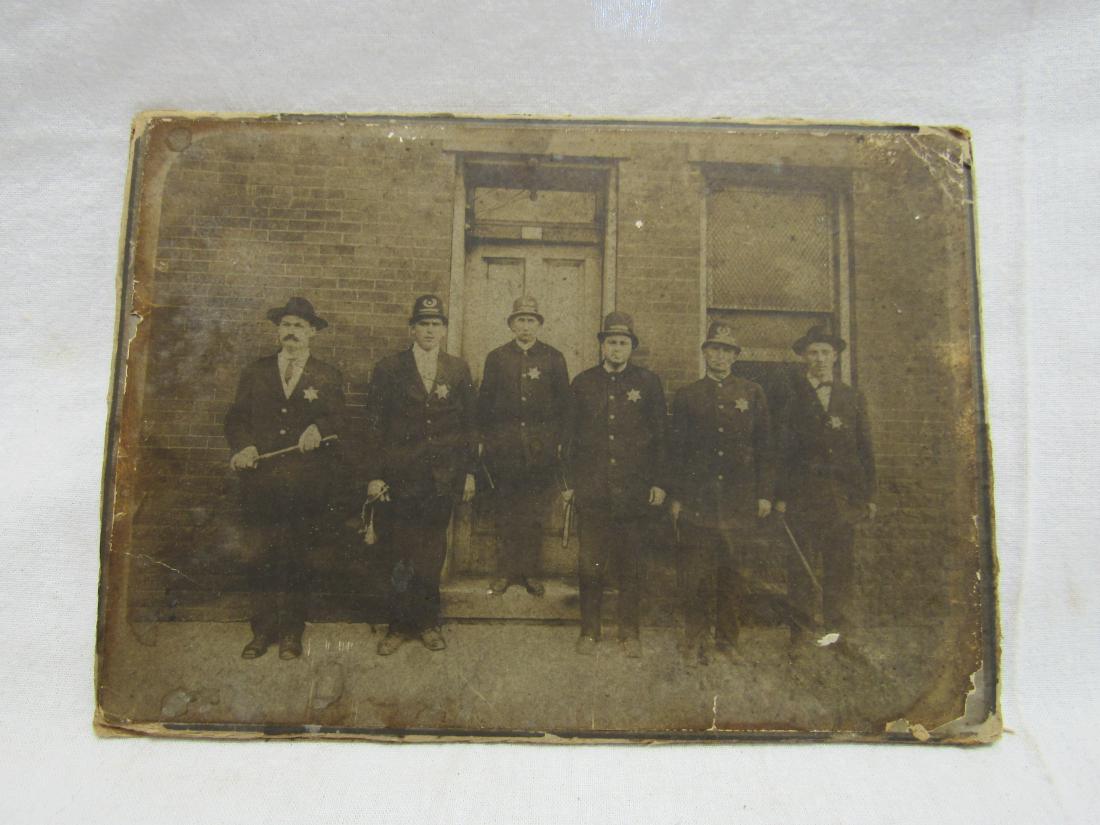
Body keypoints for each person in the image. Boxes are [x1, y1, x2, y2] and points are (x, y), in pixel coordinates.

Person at [224, 297, 345, 661]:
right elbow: (236, 419)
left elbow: (340, 419)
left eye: (299, 326)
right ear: (279, 331)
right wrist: (243, 447)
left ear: (312, 333)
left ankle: (292, 632)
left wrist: (318, 427)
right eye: (286, 325)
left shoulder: (328, 375)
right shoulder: (256, 372)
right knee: (260, 556)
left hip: (305, 486)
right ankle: (261, 632)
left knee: (297, 558)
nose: (291, 332)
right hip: (261, 482)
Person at [364, 294, 477, 655]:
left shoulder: (458, 370)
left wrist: (469, 472)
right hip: (400, 479)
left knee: (431, 553)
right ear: (412, 329)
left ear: (443, 330)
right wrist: (375, 475)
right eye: (423, 324)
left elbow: (469, 427)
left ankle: (428, 622)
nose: (429, 331)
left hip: (441, 479)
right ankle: (398, 626)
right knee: (399, 551)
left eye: (435, 324)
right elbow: (374, 428)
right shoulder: (389, 368)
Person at [667, 321, 773, 665]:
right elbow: (677, 452)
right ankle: (694, 638)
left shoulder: (752, 393)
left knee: (733, 573)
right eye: (714, 348)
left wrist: (764, 494)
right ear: (705, 352)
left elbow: (764, 448)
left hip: (739, 500)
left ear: (735, 356)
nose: (720, 356)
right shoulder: (687, 395)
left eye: (727, 350)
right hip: (699, 500)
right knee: (696, 573)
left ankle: (728, 639)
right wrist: (678, 497)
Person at [562, 312, 666, 658]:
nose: (617, 348)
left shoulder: (648, 384)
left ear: (631, 347)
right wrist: (569, 484)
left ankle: (628, 632)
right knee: (590, 564)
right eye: (611, 342)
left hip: (634, 492)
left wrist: (658, 482)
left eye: (623, 343)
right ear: (602, 346)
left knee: (631, 565)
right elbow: (569, 438)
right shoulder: (583, 383)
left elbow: (660, 438)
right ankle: (589, 631)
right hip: (592, 491)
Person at [775, 325, 876, 651]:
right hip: (802, 497)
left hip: (841, 499)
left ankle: (837, 633)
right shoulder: (790, 397)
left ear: (835, 357)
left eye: (825, 353)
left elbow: (864, 449)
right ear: (804, 357)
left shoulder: (851, 397)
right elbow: (780, 451)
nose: (819, 359)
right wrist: (780, 495)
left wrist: (868, 495)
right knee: (801, 567)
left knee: (839, 567)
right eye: (813, 353)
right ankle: (801, 634)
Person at [478, 296, 571, 598]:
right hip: (505, 451)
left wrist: (554, 443)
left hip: (540, 452)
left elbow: (563, 408)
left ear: (539, 324)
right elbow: (485, 405)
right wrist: (490, 442)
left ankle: (531, 572)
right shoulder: (497, 358)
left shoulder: (553, 358)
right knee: (505, 511)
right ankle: (505, 572)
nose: (526, 326)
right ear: (511, 324)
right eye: (520, 320)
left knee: (534, 513)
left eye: (531, 320)